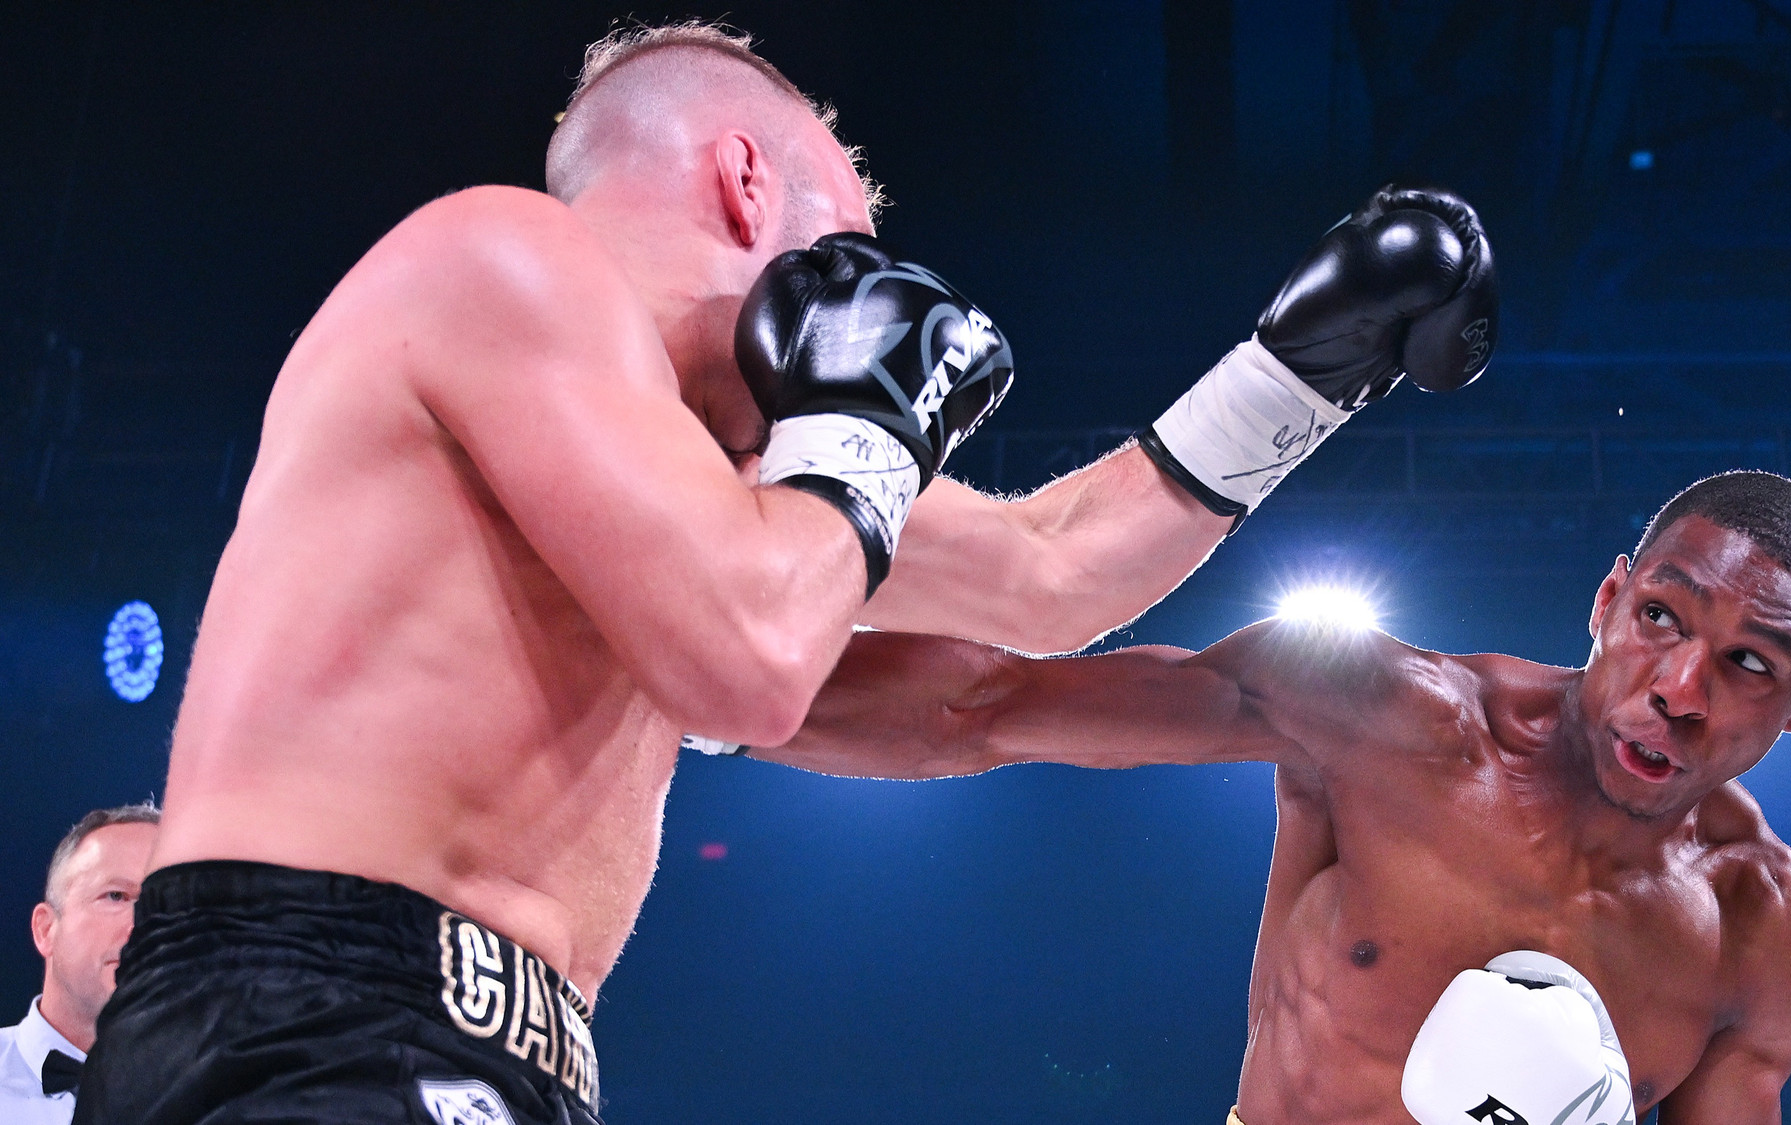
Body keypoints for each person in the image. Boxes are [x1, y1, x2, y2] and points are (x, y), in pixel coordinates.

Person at [76, 19, 1498, 1125]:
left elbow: (1046, 571)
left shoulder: (712, 488)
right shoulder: (504, 260)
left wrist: (1305, 369)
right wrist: (865, 438)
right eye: (854, 242)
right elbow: (751, 663)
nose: (871, 283)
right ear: (748, 180)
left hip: (479, 1048)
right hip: (303, 1006)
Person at [766, 470, 1791, 1124]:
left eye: (1749, 665)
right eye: (1661, 617)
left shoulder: (1764, 928)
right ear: (1609, 599)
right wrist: (714, 682)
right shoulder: (1385, 716)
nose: (1677, 692)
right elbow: (990, 706)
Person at [2, 805, 159, 1125]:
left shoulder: (233, 1095)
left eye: (164, 903)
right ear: (45, 929)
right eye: (116, 896)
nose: (143, 925)